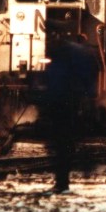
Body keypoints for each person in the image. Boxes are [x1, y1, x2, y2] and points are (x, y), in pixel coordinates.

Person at [39, 35, 99, 192]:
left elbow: (55, 81)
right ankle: (67, 177)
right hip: (67, 102)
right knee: (65, 143)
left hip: (63, 103)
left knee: (61, 143)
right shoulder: (73, 54)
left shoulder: (63, 57)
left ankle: (64, 180)